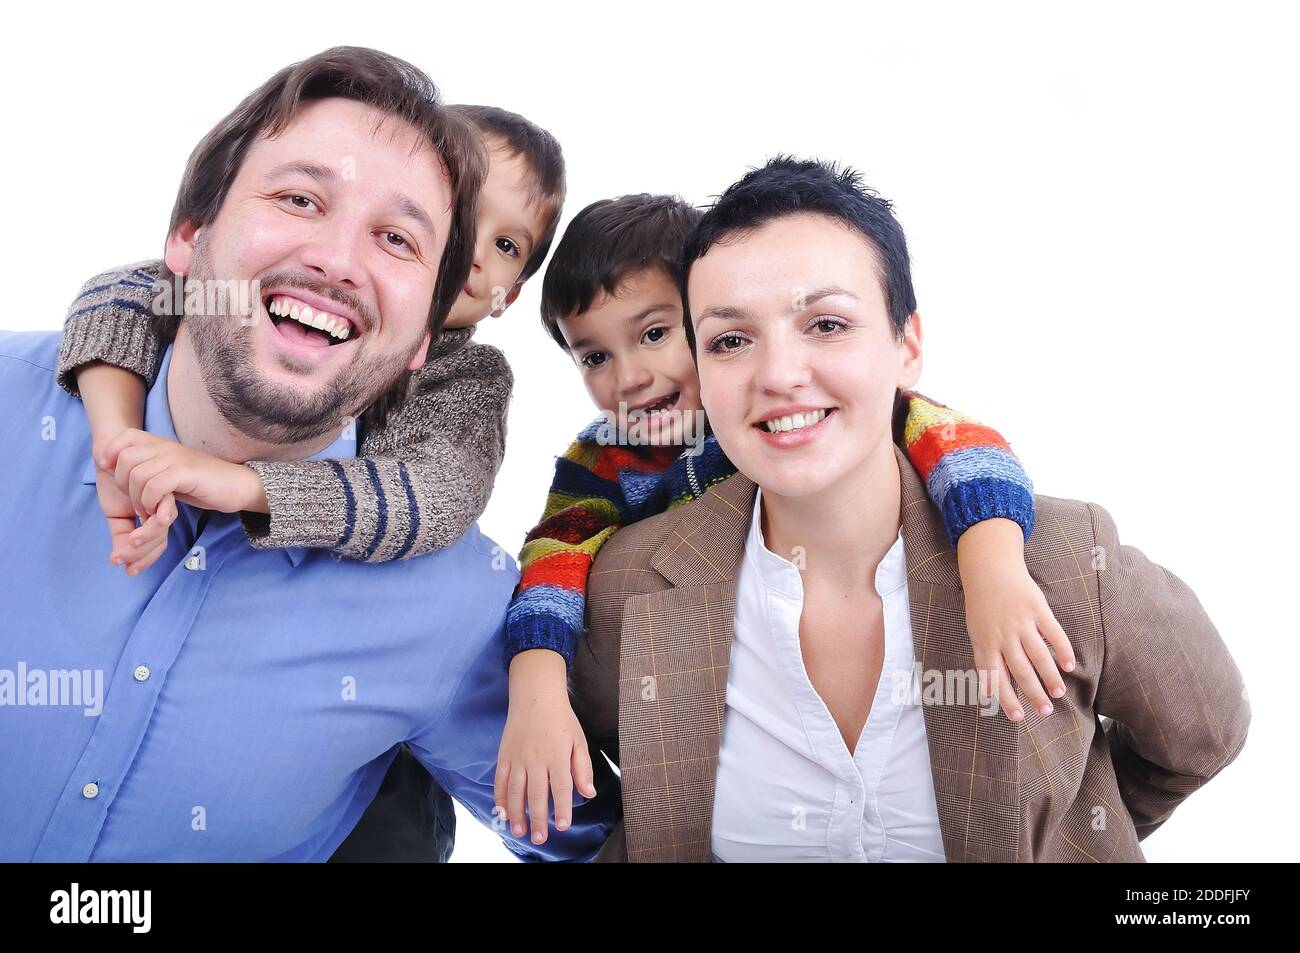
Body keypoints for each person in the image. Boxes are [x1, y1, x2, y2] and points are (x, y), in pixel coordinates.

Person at [0, 46, 614, 862]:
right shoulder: (42, 389)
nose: (336, 259)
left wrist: (244, 486)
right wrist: (114, 433)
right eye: (299, 198)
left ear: (428, 333)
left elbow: (603, 838)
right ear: (188, 238)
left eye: (398, 237)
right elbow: (124, 293)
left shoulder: (455, 580)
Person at [571, 157, 1250, 861]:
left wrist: (1071, 830)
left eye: (826, 323)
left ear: (907, 346)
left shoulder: (1069, 562)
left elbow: (1203, 735)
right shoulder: (631, 584)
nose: (777, 374)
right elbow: (592, 781)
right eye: (731, 340)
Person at [494, 193, 1078, 836]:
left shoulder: (789, 418)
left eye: (655, 335)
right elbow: (552, 559)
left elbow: (969, 449)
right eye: (594, 357)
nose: (629, 377)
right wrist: (538, 690)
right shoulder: (601, 458)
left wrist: (991, 569)